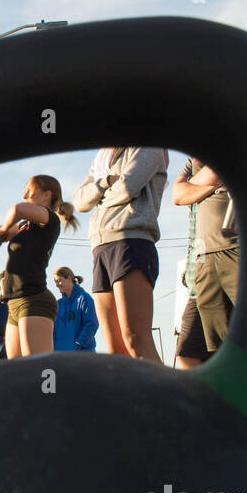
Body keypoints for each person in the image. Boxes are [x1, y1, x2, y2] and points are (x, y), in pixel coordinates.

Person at [74, 147, 168, 361]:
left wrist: (97, 200)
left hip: (131, 240)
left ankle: (165, 394)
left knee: (135, 338)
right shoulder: (101, 157)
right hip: (100, 245)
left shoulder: (148, 147)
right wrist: (106, 181)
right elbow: (80, 202)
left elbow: (127, 187)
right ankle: (132, 395)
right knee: (117, 351)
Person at [0, 176, 77, 358]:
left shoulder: (49, 219)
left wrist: (5, 228)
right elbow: (2, 228)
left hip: (34, 299)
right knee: (17, 370)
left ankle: (52, 388)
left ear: (47, 195)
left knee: (40, 369)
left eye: (29, 190)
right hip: (13, 301)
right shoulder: (24, 226)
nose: (24, 195)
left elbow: (17, 209)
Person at [173, 158, 237, 355]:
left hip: (235, 248)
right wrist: (210, 186)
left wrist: (193, 189)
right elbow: (177, 195)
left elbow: (216, 171)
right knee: (216, 347)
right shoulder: (191, 159)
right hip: (204, 256)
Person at [173, 198, 211, 369]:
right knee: (186, 354)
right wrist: (191, 266)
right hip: (197, 286)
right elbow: (178, 195)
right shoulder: (191, 172)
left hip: (223, 275)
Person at [52, 267, 98, 352]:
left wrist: (78, 344)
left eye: (59, 280)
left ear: (69, 278)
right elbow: (52, 331)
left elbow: (91, 324)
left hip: (82, 356)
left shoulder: (85, 298)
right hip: (60, 357)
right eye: (55, 282)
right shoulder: (57, 304)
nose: (57, 284)